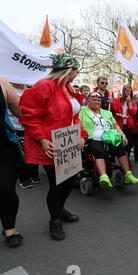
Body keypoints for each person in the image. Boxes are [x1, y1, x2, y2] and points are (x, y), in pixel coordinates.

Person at [19, 53, 87, 241]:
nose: (76, 74)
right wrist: (41, 139)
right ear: (67, 70)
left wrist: (81, 135)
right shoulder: (45, 86)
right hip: (52, 146)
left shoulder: (68, 88)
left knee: (69, 182)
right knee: (57, 184)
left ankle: (60, 209)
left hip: (69, 145)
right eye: (75, 71)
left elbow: (75, 117)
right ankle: (54, 220)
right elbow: (29, 116)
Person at [79, 92, 138, 188]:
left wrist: (123, 136)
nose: (96, 101)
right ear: (88, 101)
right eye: (93, 99)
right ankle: (104, 177)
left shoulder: (106, 113)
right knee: (97, 149)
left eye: (98, 99)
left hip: (108, 139)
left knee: (119, 147)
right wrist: (80, 138)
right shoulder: (82, 110)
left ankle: (128, 174)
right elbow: (76, 123)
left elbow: (115, 126)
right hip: (91, 140)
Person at [0, 77, 23, 247]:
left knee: (6, 188)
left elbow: (19, 110)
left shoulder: (2, 82)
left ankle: (10, 228)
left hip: (4, 146)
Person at [8, 83, 41, 189]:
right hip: (15, 127)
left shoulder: (31, 90)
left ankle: (34, 175)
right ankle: (24, 178)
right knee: (22, 153)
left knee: (33, 150)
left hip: (30, 126)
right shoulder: (9, 89)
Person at [111, 85, 136, 155]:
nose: (129, 93)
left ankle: (126, 157)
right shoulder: (117, 100)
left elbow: (133, 113)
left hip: (128, 126)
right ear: (123, 91)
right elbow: (114, 111)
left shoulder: (132, 101)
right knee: (117, 142)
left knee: (128, 143)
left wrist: (129, 103)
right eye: (127, 91)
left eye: (130, 91)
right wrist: (121, 115)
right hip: (119, 125)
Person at [131, 94, 138, 163]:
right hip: (132, 127)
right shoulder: (132, 105)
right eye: (137, 98)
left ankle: (137, 158)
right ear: (134, 99)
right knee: (130, 144)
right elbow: (134, 113)